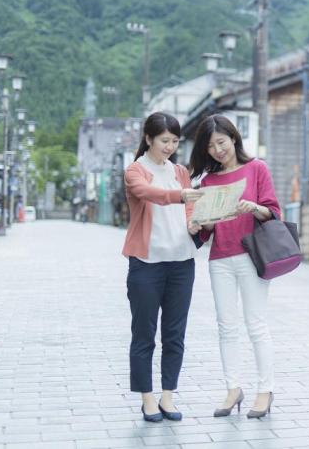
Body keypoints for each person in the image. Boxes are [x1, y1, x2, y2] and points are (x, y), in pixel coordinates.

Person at [189, 114, 280, 419]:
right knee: (226, 327)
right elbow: (204, 234)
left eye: (222, 142)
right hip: (220, 260)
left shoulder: (257, 169)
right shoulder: (208, 181)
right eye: (211, 145)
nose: (217, 150)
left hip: (252, 255)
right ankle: (233, 389)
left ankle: (265, 391)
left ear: (234, 139)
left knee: (256, 325)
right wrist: (198, 225)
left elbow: (274, 214)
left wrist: (254, 208)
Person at [121, 112, 204, 423]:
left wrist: (195, 222)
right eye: (165, 140)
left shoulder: (181, 172)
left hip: (182, 264)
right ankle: (147, 398)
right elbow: (147, 194)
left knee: (175, 335)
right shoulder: (135, 170)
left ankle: (168, 396)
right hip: (147, 264)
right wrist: (179, 196)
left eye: (175, 141)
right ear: (149, 139)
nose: (170, 146)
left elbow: (190, 210)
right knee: (144, 334)